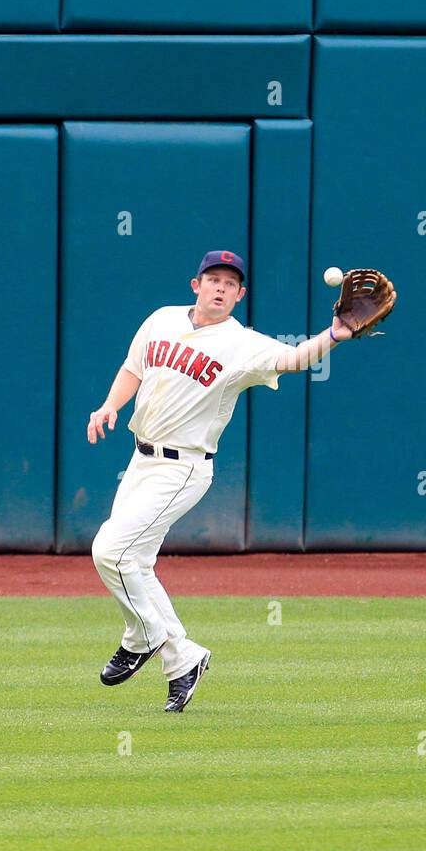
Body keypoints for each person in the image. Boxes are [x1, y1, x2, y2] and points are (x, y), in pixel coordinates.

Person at [86, 248, 353, 712]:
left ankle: (143, 635)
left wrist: (335, 334)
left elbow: (293, 359)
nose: (221, 288)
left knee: (110, 551)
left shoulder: (241, 343)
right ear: (196, 284)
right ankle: (182, 659)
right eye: (214, 279)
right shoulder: (162, 319)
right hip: (140, 458)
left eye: (231, 283)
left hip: (183, 466)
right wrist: (110, 405)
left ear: (240, 295)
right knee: (137, 565)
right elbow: (133, 369)